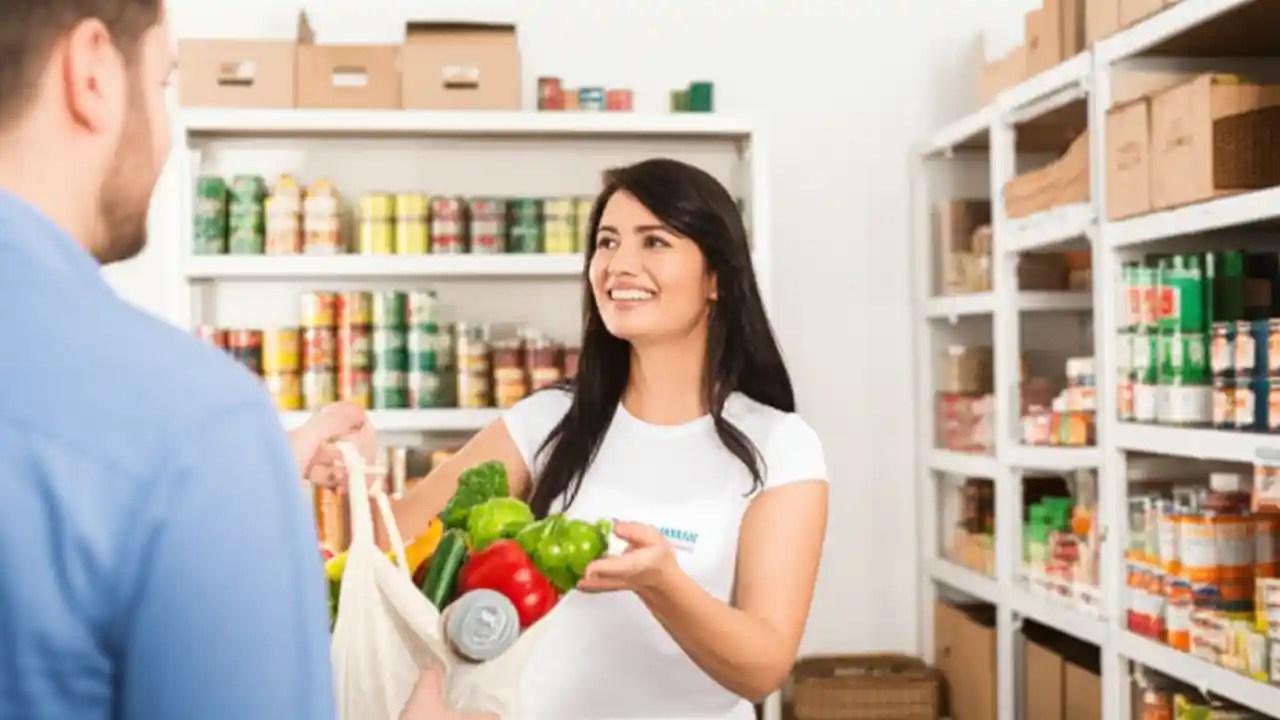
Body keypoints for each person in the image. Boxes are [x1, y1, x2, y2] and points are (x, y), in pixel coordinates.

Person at [0, 2, 384, 717]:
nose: (168, 131)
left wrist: (256, 464)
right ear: (91, 73)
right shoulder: (192, 423)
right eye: (163, 82)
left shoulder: (193, 438)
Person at [392, 157, 830, 718]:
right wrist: (344, 476)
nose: (618, 265)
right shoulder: (546, 421)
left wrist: (661, 584)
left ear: (716, 278)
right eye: (606, 242)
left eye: (654, 242)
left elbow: (762, 668)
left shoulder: (779, 446)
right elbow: (399, 540)